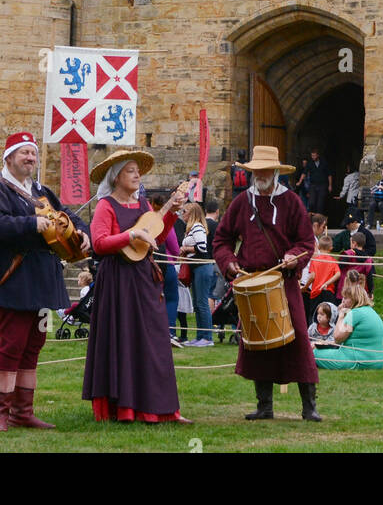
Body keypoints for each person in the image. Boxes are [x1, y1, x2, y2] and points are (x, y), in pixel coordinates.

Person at [0, 131, 91, 431]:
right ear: (9, 157)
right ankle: (0, 412)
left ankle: (23, 412)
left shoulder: (40, 190)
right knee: (13, 342)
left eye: (33, 153)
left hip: (42, 276)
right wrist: (30, 224)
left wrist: (82, 231)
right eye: (24, 152)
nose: (30, 158)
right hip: (15, 275)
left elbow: (67, 214)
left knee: (35, 343)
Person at [212, 144, 321, 422]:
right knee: (257, 344)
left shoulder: (292, 201)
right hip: (251, 282)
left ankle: (309, 407)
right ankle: (264, 406)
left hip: (284, 282)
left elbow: (306, 242)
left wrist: (293, 256)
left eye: (265, 170)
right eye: (256, 170)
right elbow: (221, 240)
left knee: (298, 340)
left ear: (275, 172)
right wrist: (229, 263)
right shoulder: (241, 203)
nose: (260, 175)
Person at [82, 149, 190, 423]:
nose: (137, 175)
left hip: (143, 278)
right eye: (130, 171)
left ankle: (161, 408)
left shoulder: (142, 204)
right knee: (123, 339)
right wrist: (130, 235)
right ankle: (125, 408)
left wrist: (171, 213)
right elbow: (99, 244)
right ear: (116, 177)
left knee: (154, 341)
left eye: (137, 171)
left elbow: (155, 238)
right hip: (116, 281)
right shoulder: (106, 206)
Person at [314, 268, 383, 370]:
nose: (343, 301)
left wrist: (341, 315)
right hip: (378, 362)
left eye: (346, 298)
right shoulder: (371, 311)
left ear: (354, 299)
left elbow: (338, 338)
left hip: (358, 360)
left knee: (314, 353)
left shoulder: (354, 313)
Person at [178, 200, 215, 346]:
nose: (182, 214)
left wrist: (185, 249)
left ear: (191, 213)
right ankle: (200, 336)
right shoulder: (192, 228)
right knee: (198, 304)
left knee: (202, 302)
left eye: (184, 211)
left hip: (202, 267)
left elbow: (202, 247)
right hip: (196, 268)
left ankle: (207, 337)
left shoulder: (197, 227)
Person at [302, 234, 340, 321]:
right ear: (331, 248)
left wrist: (305, 287)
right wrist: (327, 283)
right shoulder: (333, 260)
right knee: (330, 316)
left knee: (314, 317)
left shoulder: (315, 260)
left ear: (318, 247)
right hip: (329, 292)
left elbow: (312, 276)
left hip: (316, 293)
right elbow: (338, 274)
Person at [335, 230, 375, 297]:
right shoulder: (368, 259)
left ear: (354, 243)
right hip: (358, 293)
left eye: (350, 242)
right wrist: (370, 292)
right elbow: (369, 278)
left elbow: (338, 270)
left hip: (344, 291)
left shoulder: (347, 255)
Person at [299, 149, 331, 214]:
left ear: (318, 155)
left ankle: (318, 217)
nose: (313, 157)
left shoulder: (324, 163)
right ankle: (312, 215)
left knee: (320, 204)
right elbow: (304, 173)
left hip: (322, 185)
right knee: (311, 202)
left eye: (314, 155)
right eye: (312, 156)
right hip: (313, 185)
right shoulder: (310, 163)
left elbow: (329, 175)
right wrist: (300, 181)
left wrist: (330, 185)